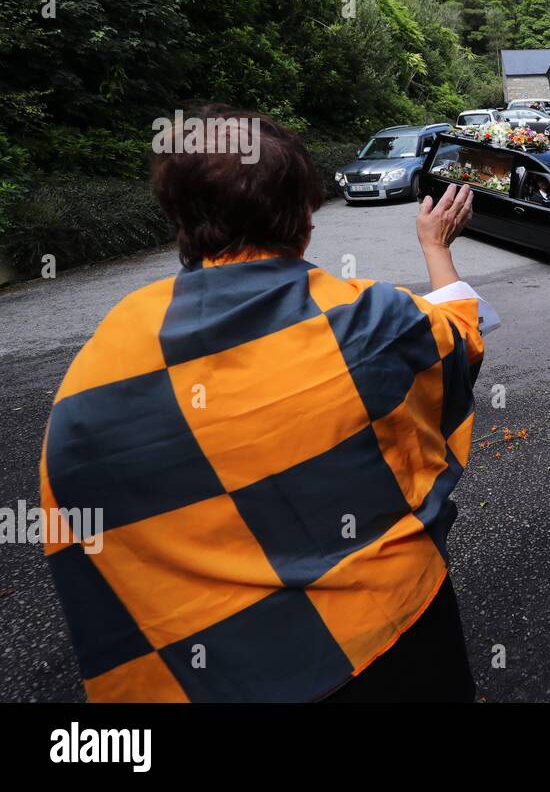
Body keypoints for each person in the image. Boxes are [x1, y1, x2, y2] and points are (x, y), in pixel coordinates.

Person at [40, 106, 490, 702]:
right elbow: (458, 337)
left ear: (178, 217)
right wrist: (435, 246)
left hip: (198, 674)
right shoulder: (370, 318)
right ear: (305, 214)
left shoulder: (107, 356)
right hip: (389, 635)